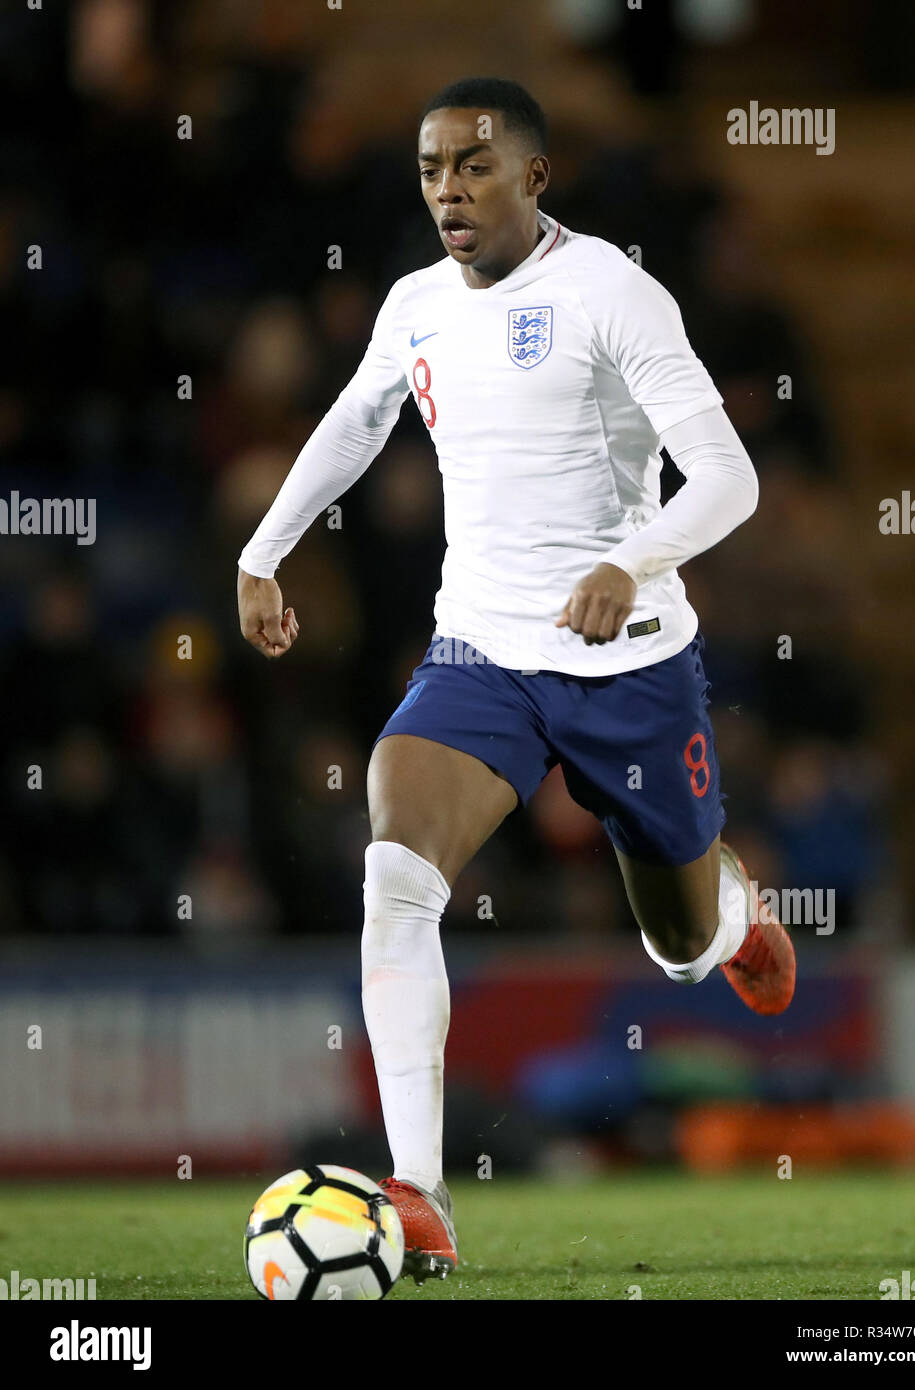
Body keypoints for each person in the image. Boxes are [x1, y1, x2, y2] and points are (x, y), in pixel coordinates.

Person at [237, 76, 795, 1286]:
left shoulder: (611, 293)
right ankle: (420, 1196)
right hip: (480, 651)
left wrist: (627, 558)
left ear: (534, 178)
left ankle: (731, 913)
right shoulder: (413, 304)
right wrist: (263, 547)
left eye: (474, 166)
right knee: (393, 872)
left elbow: (728, 478)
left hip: (628, 662)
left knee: (680, 946)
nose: (448, 188)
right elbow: (351, 421)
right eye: (432, 167)